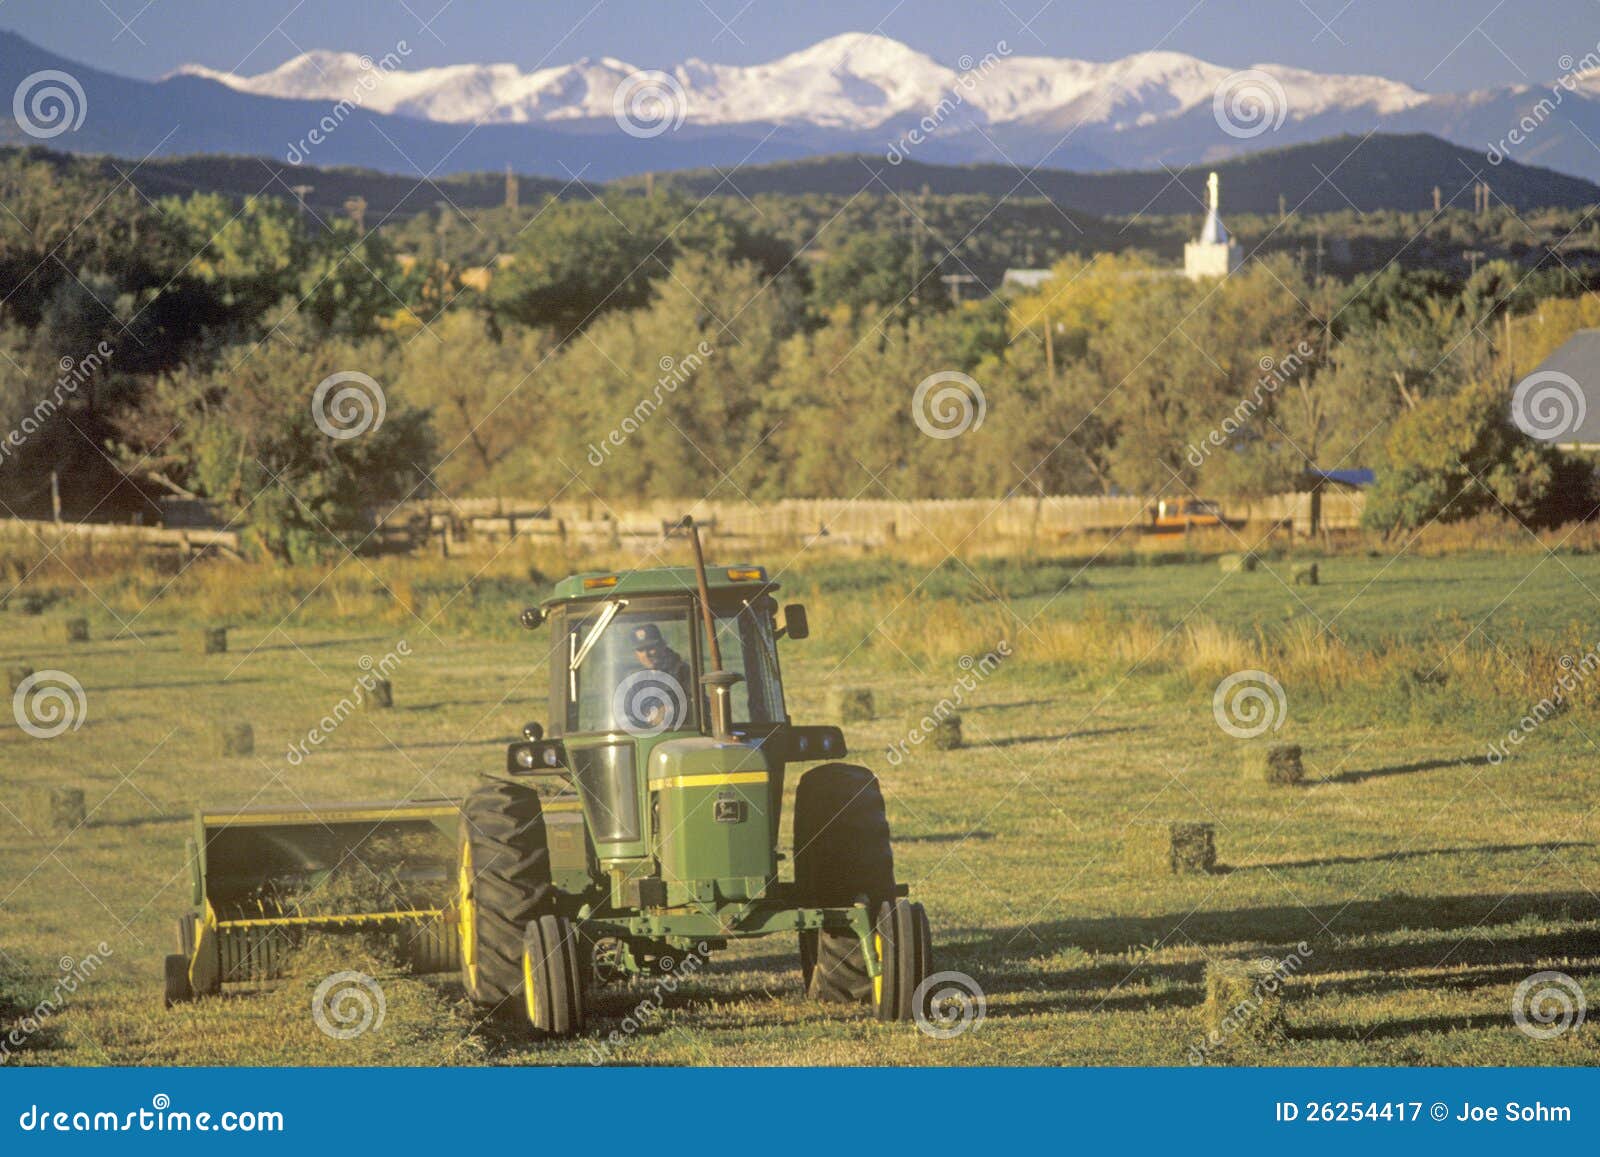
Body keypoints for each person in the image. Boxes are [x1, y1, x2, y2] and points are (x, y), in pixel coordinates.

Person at [620, 623, 695, 732]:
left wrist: (670, 710)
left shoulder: (683, 672)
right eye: (640, 649)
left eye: (650, 648)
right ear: (635, 654)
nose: (646, 654)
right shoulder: (638, 681)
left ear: (662, 646)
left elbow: (700, 709)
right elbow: (627, 715)